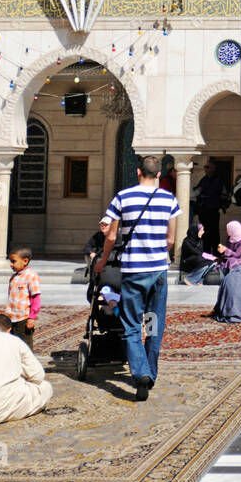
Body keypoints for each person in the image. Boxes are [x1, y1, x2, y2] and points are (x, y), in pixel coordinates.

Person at [95, 155, 180, 402]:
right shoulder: (169, 199)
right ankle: (150, 373)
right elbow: (171, 239)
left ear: (139, 172)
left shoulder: (123, 197)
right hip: (158, 271)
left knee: (132, 325)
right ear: (159, 175)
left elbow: (110, 236)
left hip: (133, 271)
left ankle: (140, 372)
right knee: (153, 322)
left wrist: (102, 260)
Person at [4, 247, 40, 350]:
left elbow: (35, 298)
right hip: (12, 316)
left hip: (23, 318)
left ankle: (27, 364)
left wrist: (32, 317)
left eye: (13, 261)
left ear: (25, 261)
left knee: (24, 346)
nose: (11, 264)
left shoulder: (31, 276)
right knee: (12, 344)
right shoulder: (15, 277)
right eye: (10, 261)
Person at [193, 159, 228, 254]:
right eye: (205, 167)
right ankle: (206, 253)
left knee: (214, 234)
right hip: (204, 211)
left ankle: (216, 254)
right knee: (205, 233)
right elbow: (198, 189)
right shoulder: (204, 179)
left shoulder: (217, 179)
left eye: (207, 167)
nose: (205, 169)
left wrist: (202, 192)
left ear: (213, 168)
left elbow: (212, 192)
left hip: (212, 210)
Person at [178, 219, 214, 285]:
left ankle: (200, 280)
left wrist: (210, 257)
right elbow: (196, 252)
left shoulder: (200, 241)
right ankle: (189, 279)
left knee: (212, 263)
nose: (203, 232)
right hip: (187, 263)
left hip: (198, 261)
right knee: (203, 261)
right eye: (201, 230)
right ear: (195, 231)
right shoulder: (187, 241)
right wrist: (207, 256)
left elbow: (200, 253)